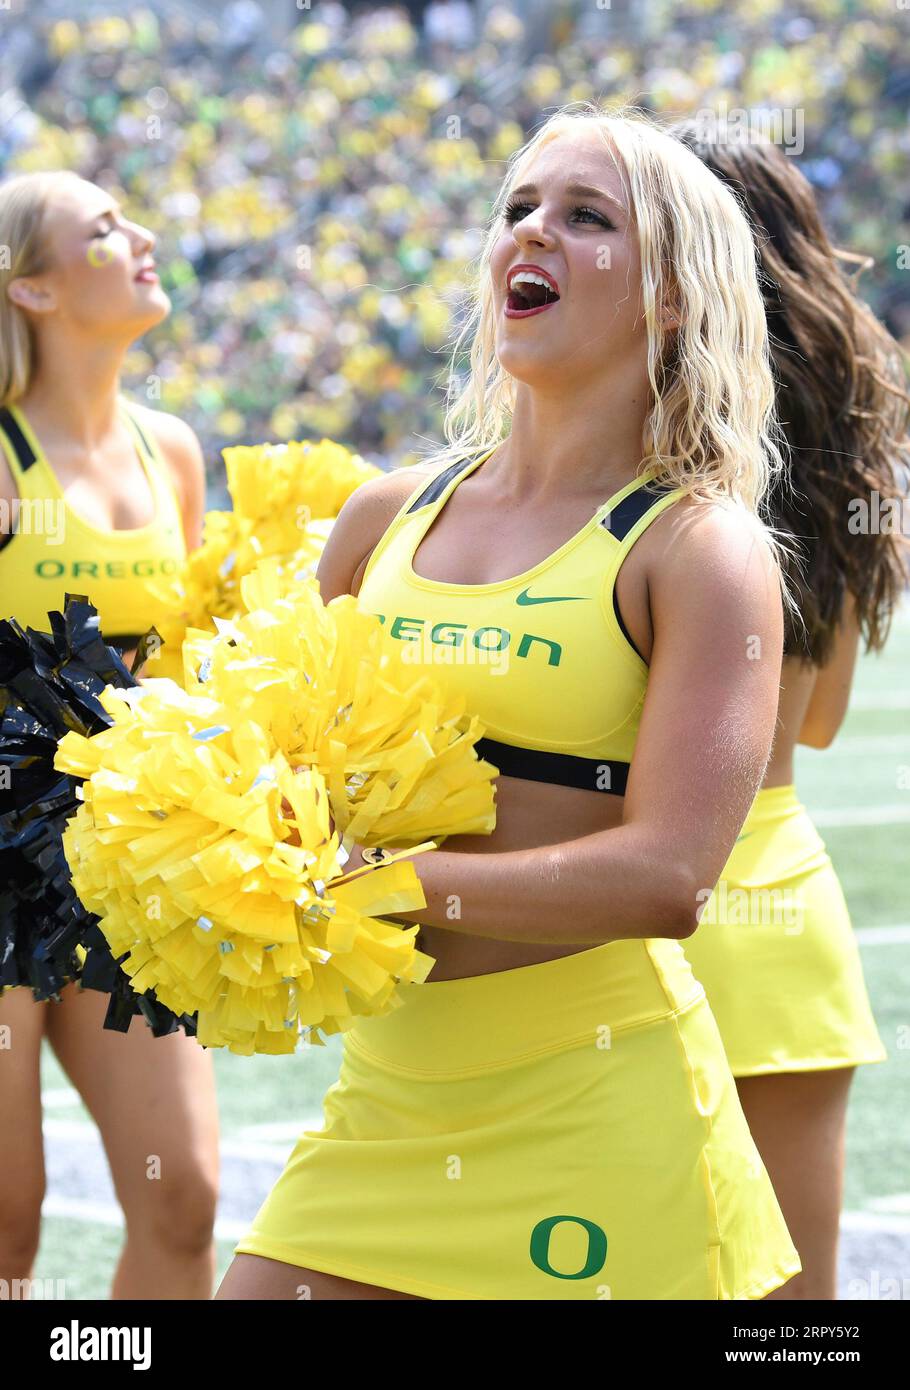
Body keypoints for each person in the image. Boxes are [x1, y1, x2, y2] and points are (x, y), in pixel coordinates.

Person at [218, 103, 802, 1301]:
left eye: (587, 217)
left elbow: (669, 877)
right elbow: (265, 756)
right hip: (389, 1090)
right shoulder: (388, 514)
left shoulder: (698, 550)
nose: (531, 231)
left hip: (595, 1103)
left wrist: (396, 882)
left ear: (674, 294)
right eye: (518, 209)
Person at [671, 121, 909, 1301]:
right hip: (777, 904)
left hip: (611, 907)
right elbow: (810, 725)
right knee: (787, 1317)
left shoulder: (630, 458)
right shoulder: (839, 443)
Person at [0, 170, 219, 1299]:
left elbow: (174, 668)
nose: (140, 237)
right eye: (101, 229)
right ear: (30, 288)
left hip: (117, 866)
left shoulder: (169, 450)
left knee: (181, 1195)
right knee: (8, 1222)